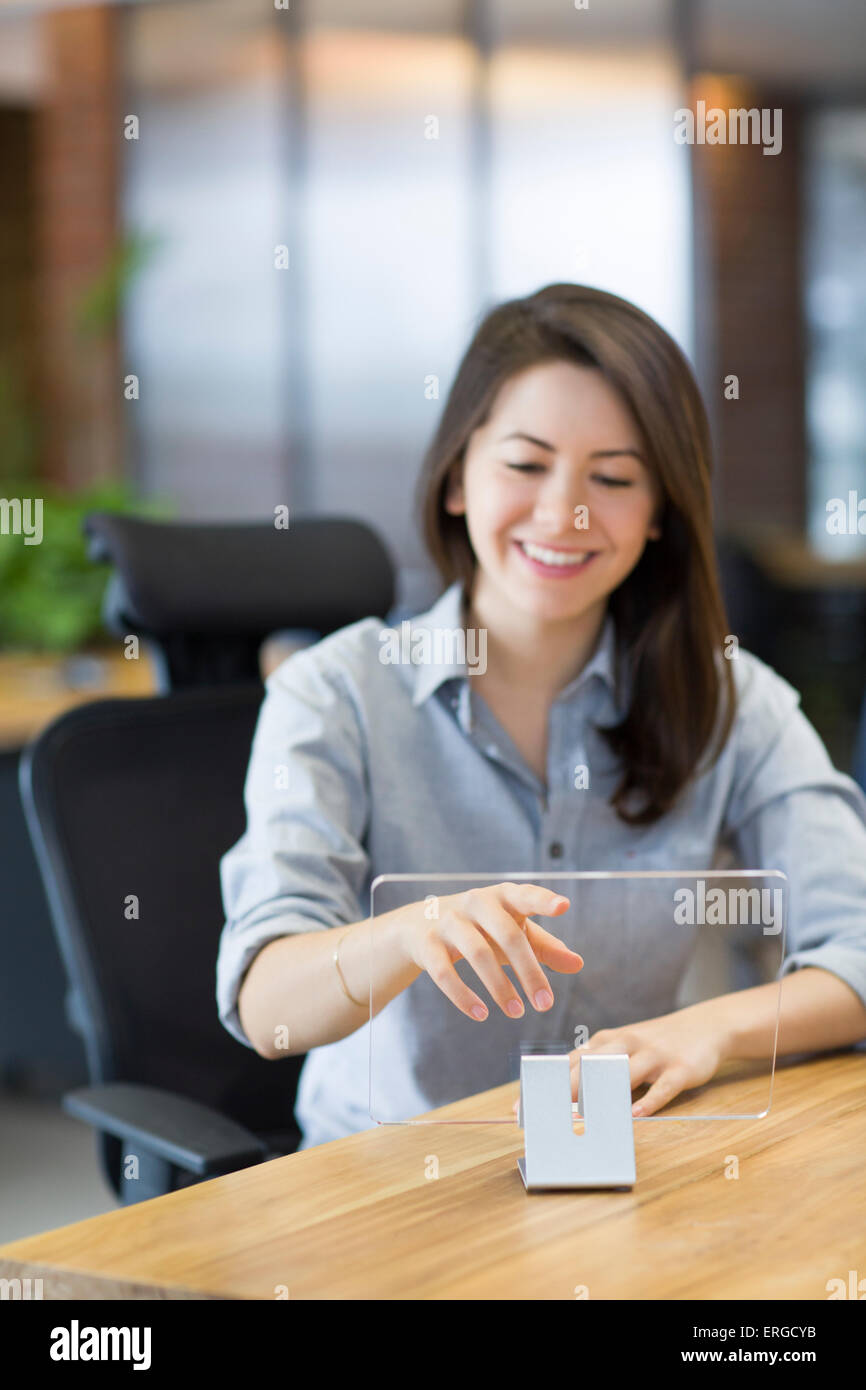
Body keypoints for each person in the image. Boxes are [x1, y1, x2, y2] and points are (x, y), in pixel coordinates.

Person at [216, 283, 866, 1150]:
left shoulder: (726, 698)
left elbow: (855, 942)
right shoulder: (335, 693)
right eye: (526, 465)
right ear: (457, 476)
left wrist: (704, 1029)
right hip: (382, 1192)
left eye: (614, 476)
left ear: (661, 511)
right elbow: (267, 1007)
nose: (565, 513)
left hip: (619, 1171)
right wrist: (411, 932)